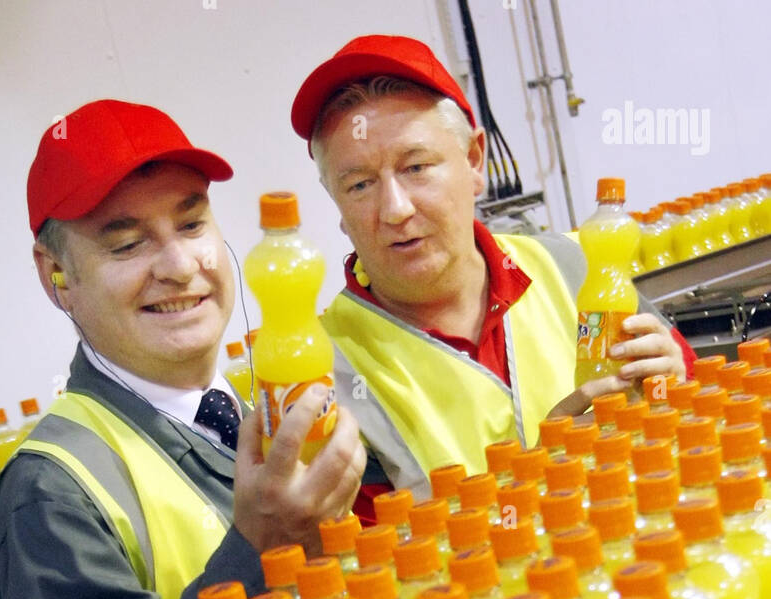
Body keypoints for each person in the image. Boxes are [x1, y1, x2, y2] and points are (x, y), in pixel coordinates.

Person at [0, 100, 365, 599]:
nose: (180, 267)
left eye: (192, 225)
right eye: (127, 243)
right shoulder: (52, 495)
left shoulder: (257, 412)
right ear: (57, 276)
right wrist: (257, 552)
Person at [290, 35, 695, 517]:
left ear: (475, 161)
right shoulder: (325, 373)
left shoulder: (572, 266)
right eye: (360, 184)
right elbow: (370, 572)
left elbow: (689, 417)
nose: (395, 209)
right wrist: (540, 479)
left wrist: (675, 390)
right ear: (335, 203)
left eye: (416, 167)